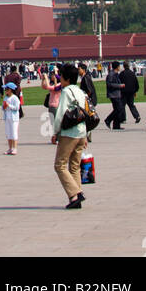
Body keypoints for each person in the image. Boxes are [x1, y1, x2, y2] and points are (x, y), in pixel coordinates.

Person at [51, 63, 88, 210]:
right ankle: (76, 198)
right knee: (74, 166)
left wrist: (55, 132)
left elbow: (60, 114)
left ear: (65, 79)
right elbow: (86, 113)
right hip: (81, 132)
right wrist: (86, 135)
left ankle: (76, 193)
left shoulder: (66, 91)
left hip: (69, 133)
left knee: (59, 165)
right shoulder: (80, 91)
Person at [104, 62, 125, 130]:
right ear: (117, 67)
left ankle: (116, 125)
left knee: (118, 109)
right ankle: (108, 119)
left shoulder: (116, 74)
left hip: (117, 94)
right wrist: (119, 85)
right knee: (119, 109)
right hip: (113, 94)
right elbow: (109, 84)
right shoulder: (111, 74)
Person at [2, 82, 21, 154]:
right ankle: (10, 148)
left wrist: (9, 105)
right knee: (8, 133)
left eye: (6, 89)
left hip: (14, 118)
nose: (5, 91)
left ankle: (14, 148)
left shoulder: (15, 98)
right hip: (7, 117)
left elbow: (17, 108)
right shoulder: (6, 97)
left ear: (10, 90)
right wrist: (4, 106)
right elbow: (3, 108)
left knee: (14, 132)